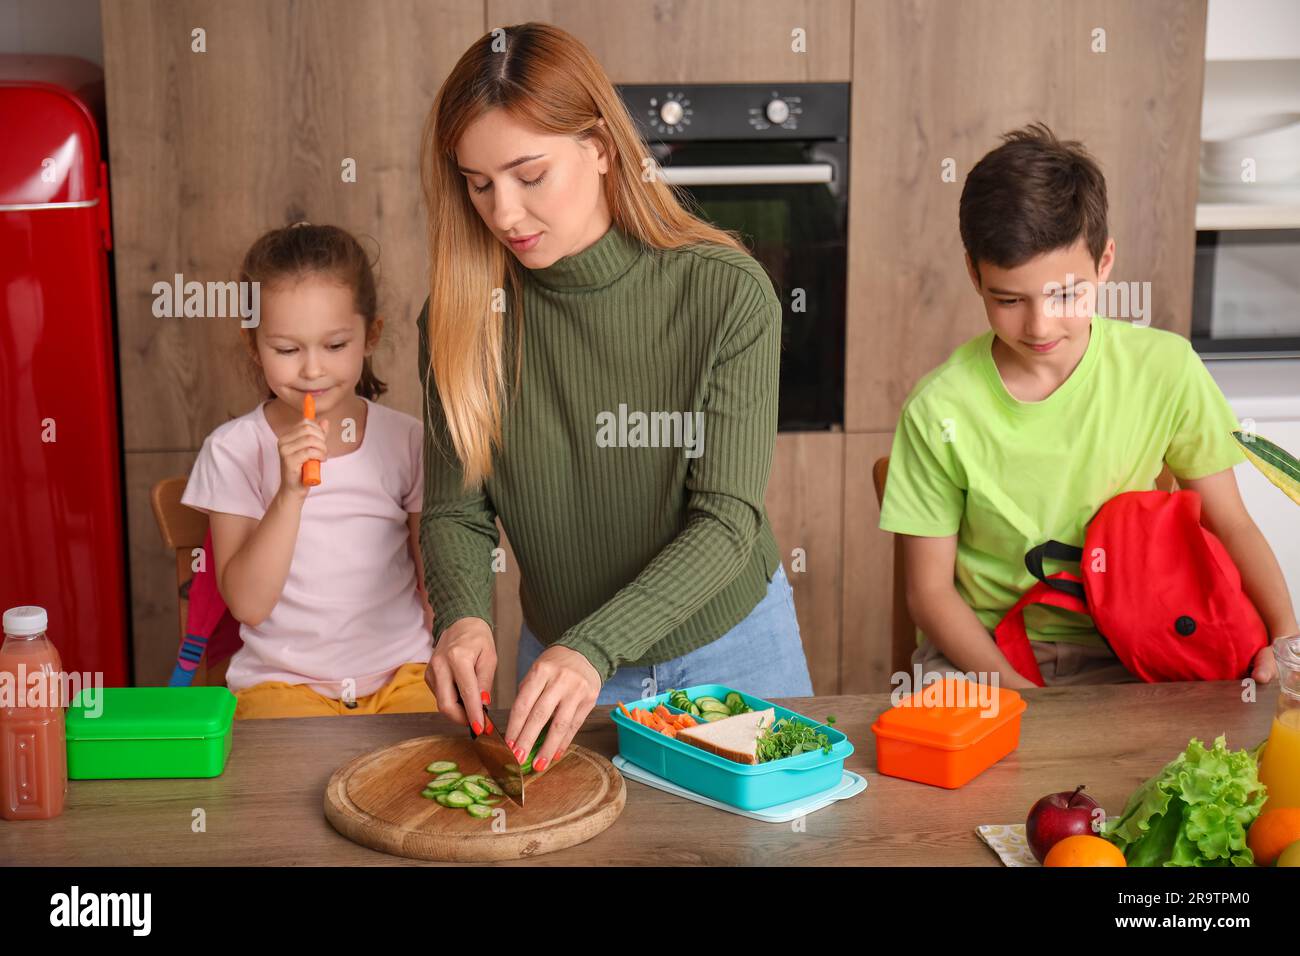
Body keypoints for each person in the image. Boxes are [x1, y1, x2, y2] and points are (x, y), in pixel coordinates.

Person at [417, 23, 813, 773]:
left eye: (528, 175)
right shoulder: (460, 318)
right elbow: (454, 510)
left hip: (734, 657)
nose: (502, 213)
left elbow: (727, 520)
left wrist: (593, 646)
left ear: (599, 147)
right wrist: (462, 616)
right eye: (478, 184)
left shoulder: (725, 292)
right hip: (562, 674)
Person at [879, 123, 1298, 689]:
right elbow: (929, 595)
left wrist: (1284, 638)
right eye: (1008, 300)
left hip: (1138, 643)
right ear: (973, 274)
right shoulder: (938, 409)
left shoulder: (1166, 369)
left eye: (1064, 294)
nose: (1039, 324)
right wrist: (1024, 697)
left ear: (1104, 263)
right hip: (984, 654)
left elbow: (1231, 523)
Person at [182, 223, 436, 718]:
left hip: (402, 678)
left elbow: (437, 588)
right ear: (253, 346)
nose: (313, 370)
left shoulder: (407, 441)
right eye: (287, 349)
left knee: (428, 781)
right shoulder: (232, 451)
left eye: (335, 345)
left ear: (371, 336)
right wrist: (289, 495)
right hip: (281, 686)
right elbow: (249, 607)